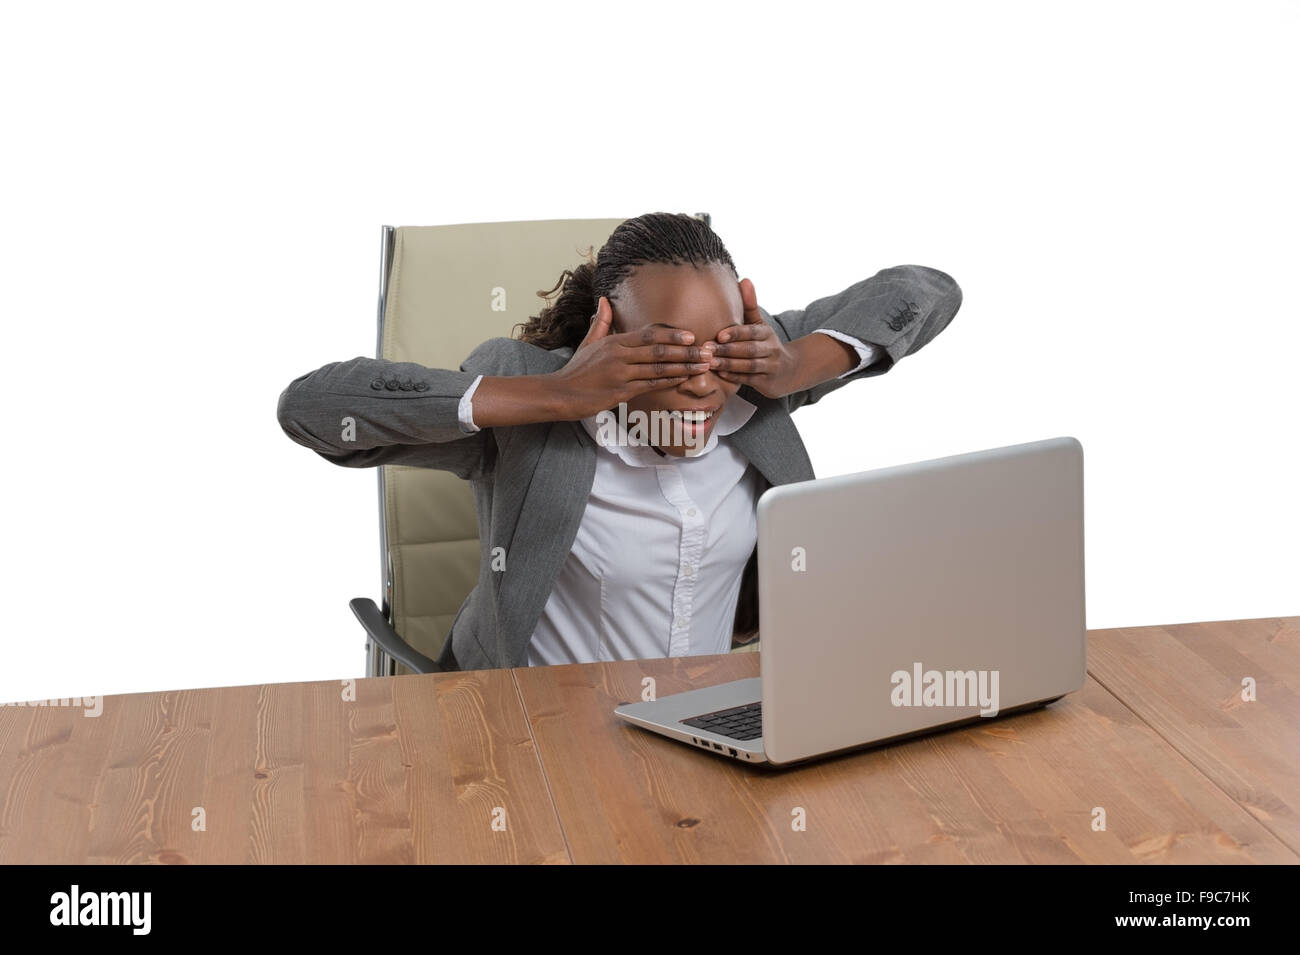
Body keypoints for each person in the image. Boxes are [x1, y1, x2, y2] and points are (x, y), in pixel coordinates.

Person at [276, 212, 962, 670]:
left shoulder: (754, 375)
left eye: (721, 351)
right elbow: (311, 408)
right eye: (667, 355)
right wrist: (557, 395)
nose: (701, 382)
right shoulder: (533, 404)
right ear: (607, 335)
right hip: (532, 734)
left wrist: (796, 364)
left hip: (703, 724)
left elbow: (927, 291)